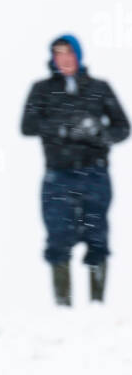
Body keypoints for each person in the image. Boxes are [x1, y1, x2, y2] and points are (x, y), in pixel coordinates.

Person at [21, 34, 129, 305]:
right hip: (58, 175)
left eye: (69, 53)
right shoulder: (42, 90)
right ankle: (63, 309)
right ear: (52, 58)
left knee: (97, 236)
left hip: (94, 174)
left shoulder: (99, 88)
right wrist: (60, 127)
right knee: (58, 237)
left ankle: (96, 308)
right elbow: (28, 125)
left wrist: (98, 132)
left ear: (79, 56)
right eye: (58, 53)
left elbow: (123, 128)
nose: (64, 58)